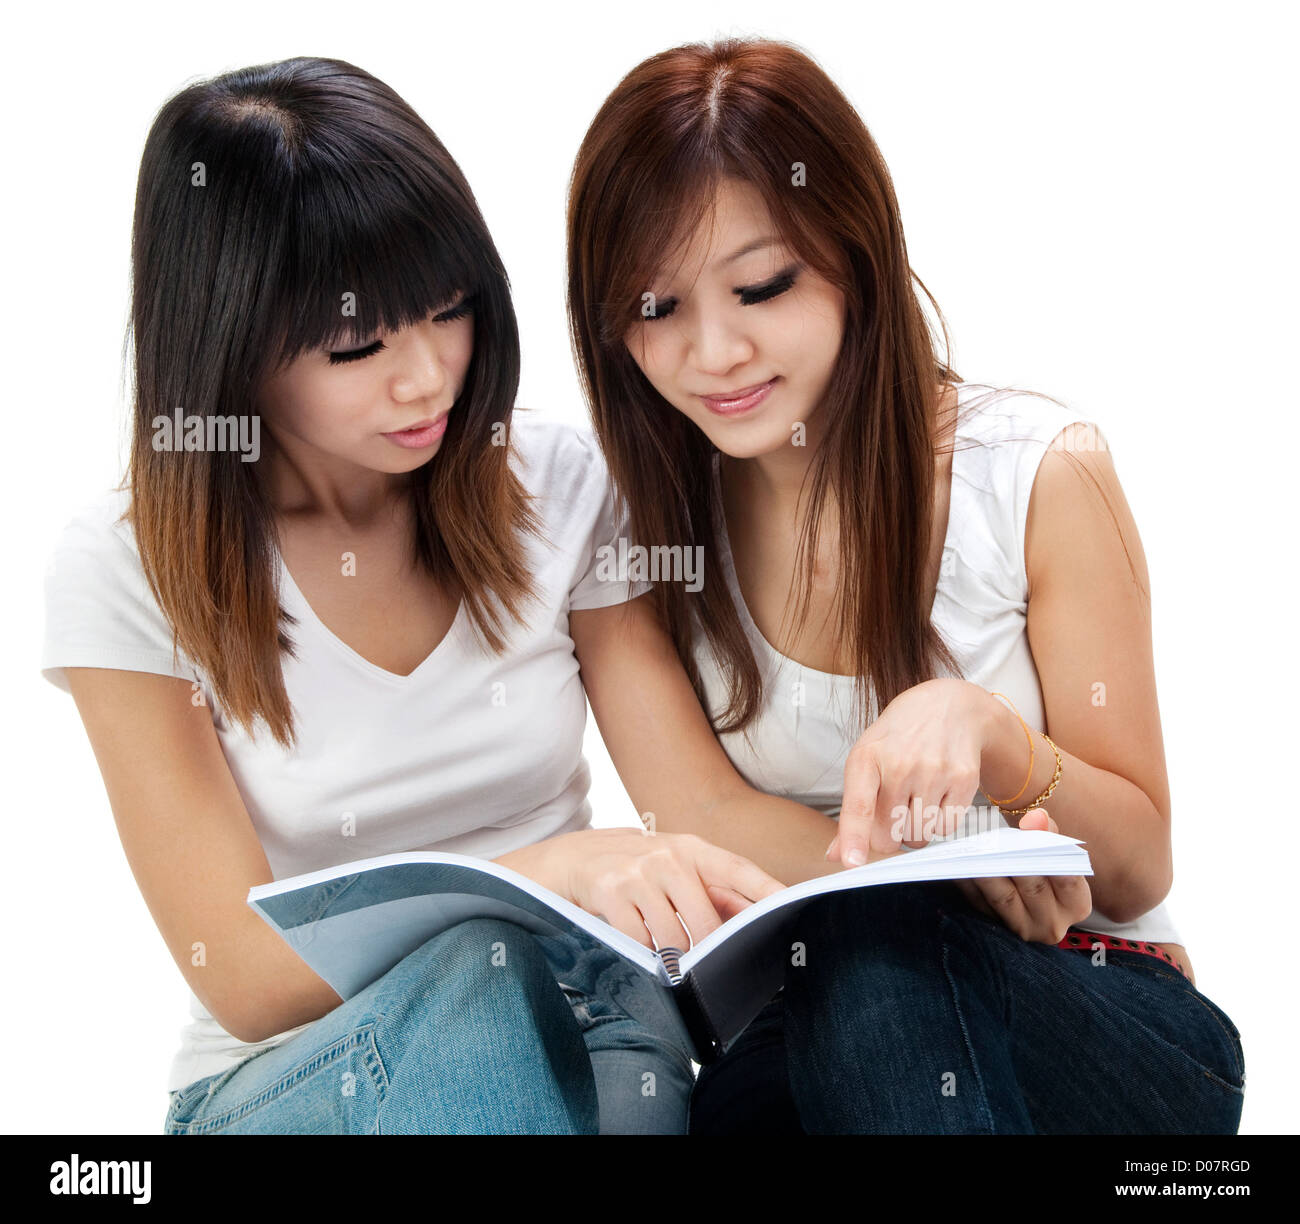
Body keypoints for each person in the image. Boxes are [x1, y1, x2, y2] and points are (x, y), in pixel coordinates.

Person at [41, 55, 790, 1135]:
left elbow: (702, 808)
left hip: (595, 1023)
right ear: (229, 349)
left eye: (448, 312)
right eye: (357, 346)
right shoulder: (125, 568)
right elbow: (242, 975)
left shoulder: (559, 487)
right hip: (297, 1076)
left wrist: (946, 865)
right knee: (481, 977)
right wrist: (546, 875)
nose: (428, 378)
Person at [564, 36, 1245, 1133]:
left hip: (1093, 1006)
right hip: (806, 1029)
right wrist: (942, 868)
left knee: (878, 954)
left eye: (760, 286)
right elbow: (696, 812)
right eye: (655, 309)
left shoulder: (1036, 472)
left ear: (854, 250)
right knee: (783, 1046)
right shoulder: (633, 530)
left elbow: (1133, 861)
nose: (714, 351)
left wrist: (994, 736)